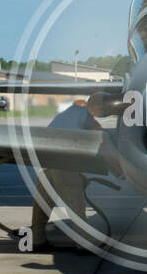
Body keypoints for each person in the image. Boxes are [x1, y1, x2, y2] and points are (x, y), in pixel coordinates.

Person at [30, 99, 100, 250]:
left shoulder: (62, 116)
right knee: (75, 203)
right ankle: (83, 243)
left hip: (46, 163)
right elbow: (98, 132)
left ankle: (37, 240)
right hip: (64, 163)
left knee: (42, 204)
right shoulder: (83, 113)